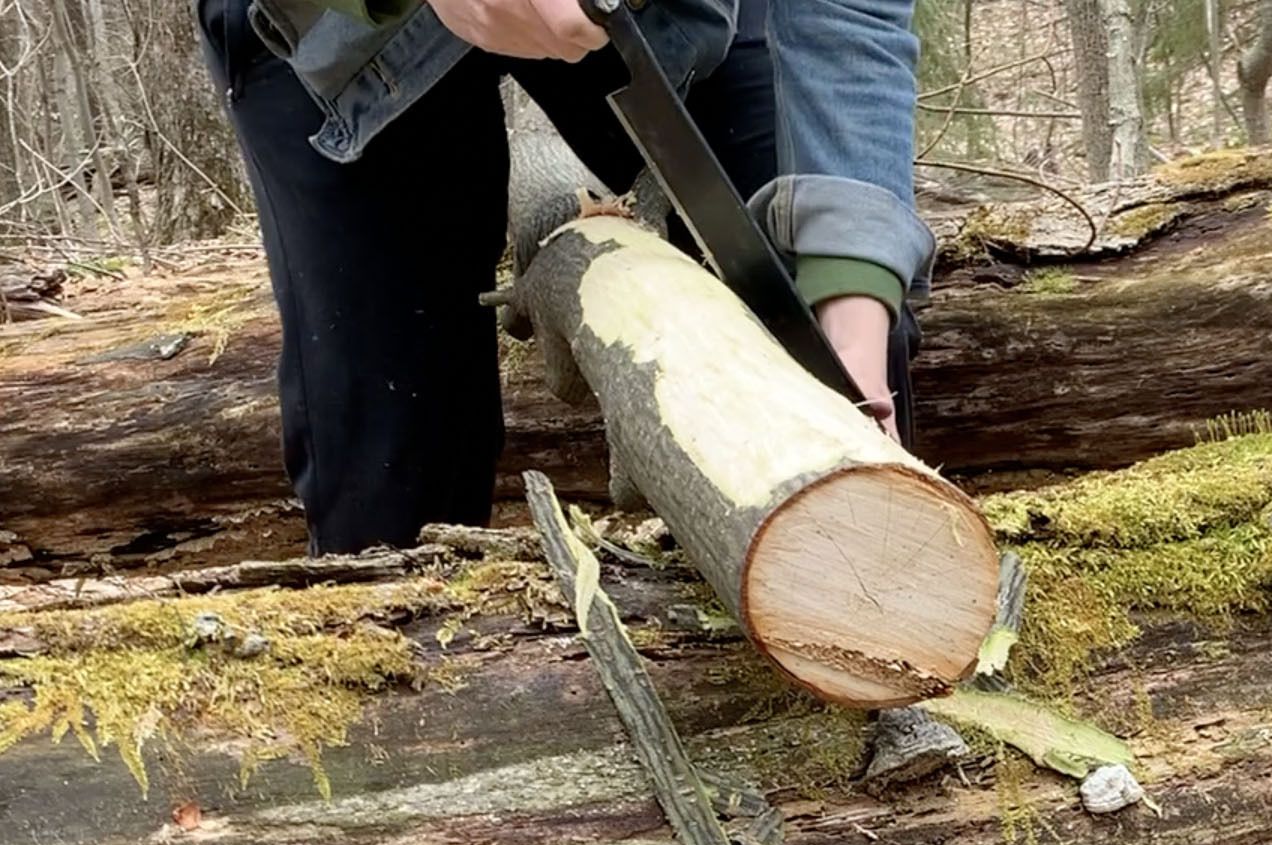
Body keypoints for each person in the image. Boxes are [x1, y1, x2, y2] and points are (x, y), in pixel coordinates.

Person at [195, 0, 935, 556]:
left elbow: (844, 18)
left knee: (818, 309)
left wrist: (851, 294)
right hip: (331, 27)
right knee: (388, 448)